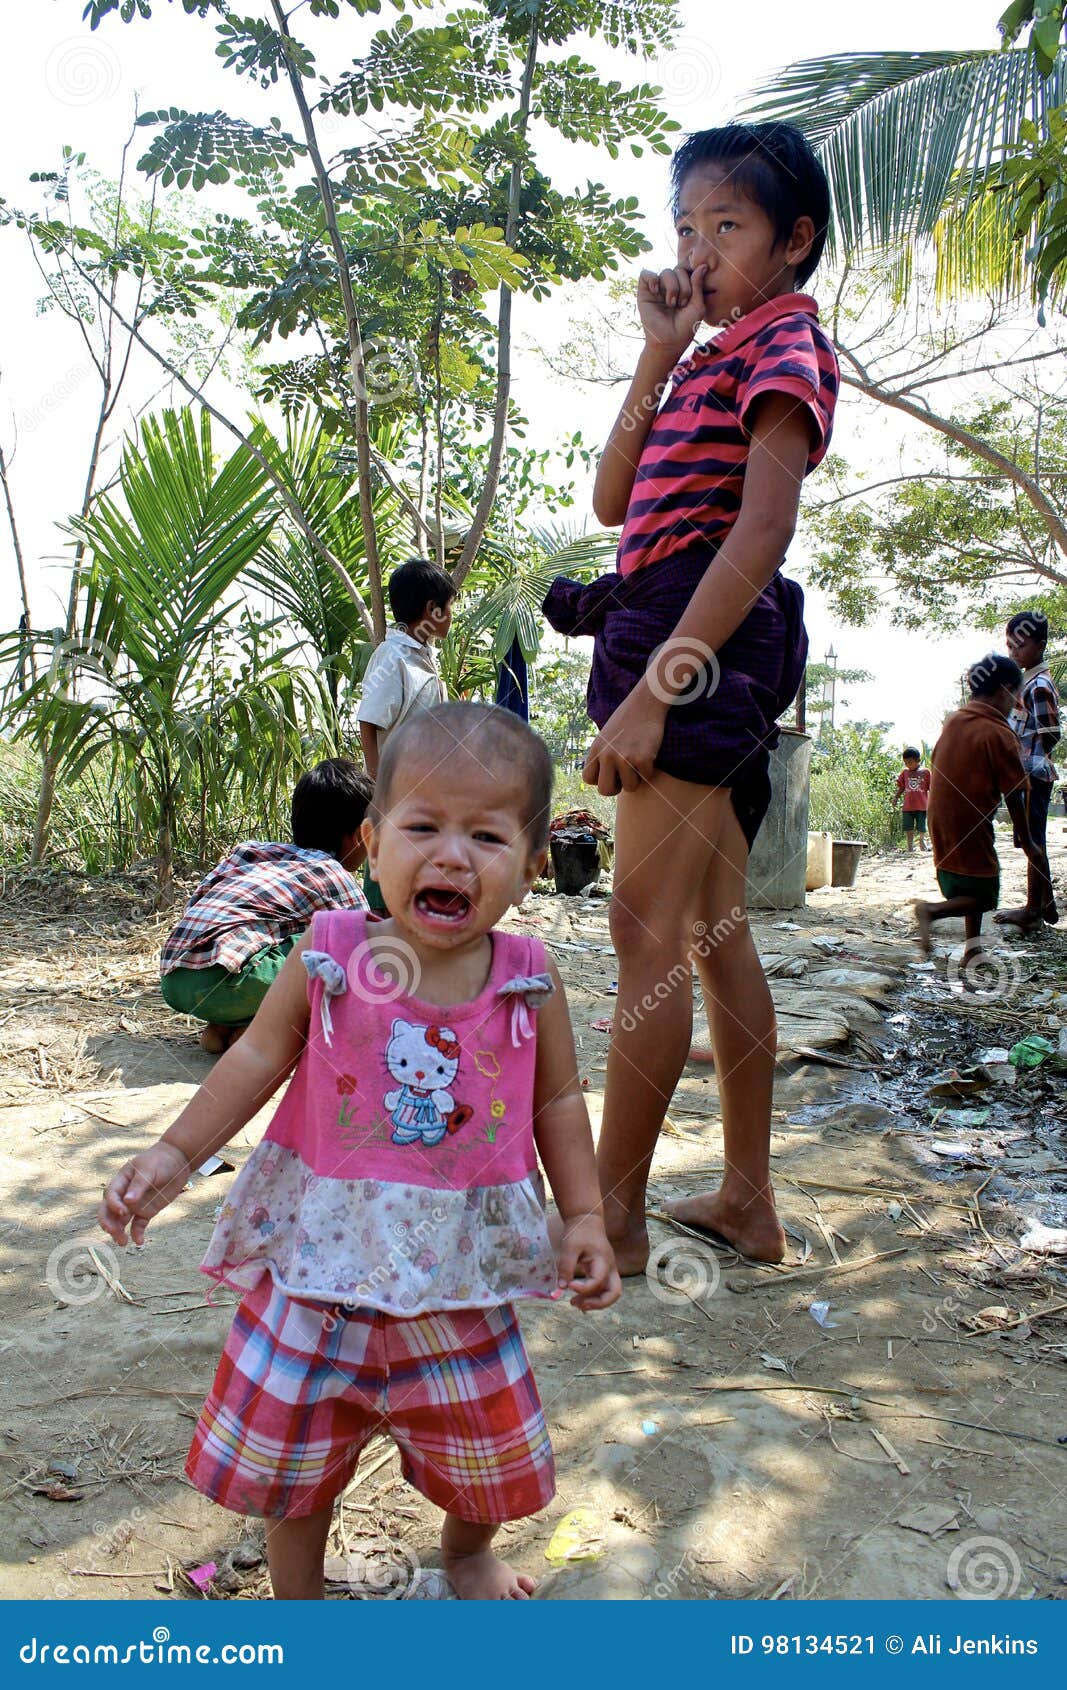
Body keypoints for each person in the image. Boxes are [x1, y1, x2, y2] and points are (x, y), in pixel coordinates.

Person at [100, 703, 620, 1602]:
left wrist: (583, 1214)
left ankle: (466, 1553)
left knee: (482, 1449)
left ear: (534, 868)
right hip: (316, 1271)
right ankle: (296, 1610)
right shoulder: (333, 952)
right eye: (422, 827)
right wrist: (174, 1155)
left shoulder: (527, 978)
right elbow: (259, 1056)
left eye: (486, 836)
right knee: (294, 1463)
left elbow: (559, 1102)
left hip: (457, 1279)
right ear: (373, 845)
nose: (451, 855)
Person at [544, 122, 839, 1269]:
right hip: (671, 618)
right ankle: (745, 1198)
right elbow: (615, 498)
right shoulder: (707, 358)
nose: (698, 251)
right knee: (711, 940)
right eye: (683, 227)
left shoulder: (784, 345)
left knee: (643, 932)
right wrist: (655, 355)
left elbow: (760, 530)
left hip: (697, 635)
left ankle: (610, 1215)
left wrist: (660, 687)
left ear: (791, 241)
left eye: (726, 227)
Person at [159, 760, 371, 1054]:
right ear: (361, 835)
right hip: (227, 979)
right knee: (338, 944)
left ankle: (229, 1025)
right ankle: (260, 1029)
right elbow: (366, 947)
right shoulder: (334, 874)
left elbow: (199, 901)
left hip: (175, 978)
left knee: (283, 937)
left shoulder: (252, 852)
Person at [915, 654, 1040, 956]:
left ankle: (973, 949)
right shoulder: (998, 732)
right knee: (984, 896)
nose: (1016, 706)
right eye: (1016, 698)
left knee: (972, 879)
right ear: (1004, 692)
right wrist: (1025, 837)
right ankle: (930, 911)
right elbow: (1014, 792)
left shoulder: (956, 720)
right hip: (969, 820)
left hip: (941, 817)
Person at [357, 557, 454, 913]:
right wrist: (378, 784)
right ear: (433, 609)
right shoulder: (393, 656)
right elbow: (369, 721)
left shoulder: (424, 657)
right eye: (449, 607)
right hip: (397, 792)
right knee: (386, 891)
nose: (451, 614)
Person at [995, 610, 1060, 930]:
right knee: (1027, 839)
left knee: (1033, 839)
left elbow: (1052, 733)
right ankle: (1046, 904)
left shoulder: (1039, 686)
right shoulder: (1026, 683)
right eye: (1010, 646)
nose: (1014, 652)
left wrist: (1031, 756)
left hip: (1034, 773)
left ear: (1040, 645)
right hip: (1023, 774)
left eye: (1020, 645)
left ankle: (1034, 907)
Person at [894, 747, 931, 852]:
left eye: (910, 762)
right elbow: (901, 787)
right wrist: (896, 797)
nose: (907, 765)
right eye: (905, 762)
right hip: (908, 806)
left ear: (918, 760)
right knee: (908, 827)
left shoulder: (925, 772)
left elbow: (931, 788)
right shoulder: (905, 773)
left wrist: (934, 803)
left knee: (922, 826)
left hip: (922, 806)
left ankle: (922, 841)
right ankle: (910, 846)